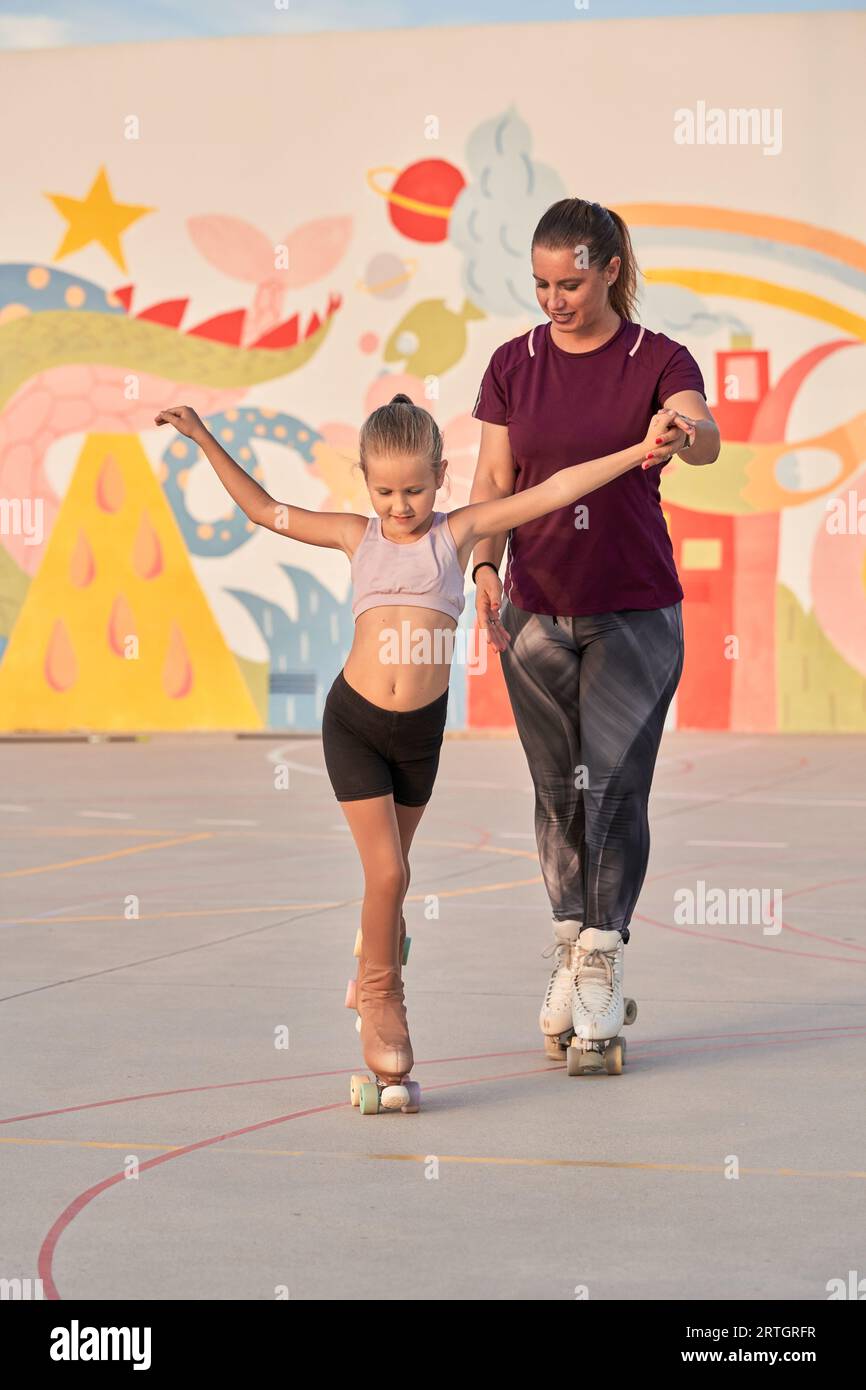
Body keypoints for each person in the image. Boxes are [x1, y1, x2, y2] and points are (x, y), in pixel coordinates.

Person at [154, 390, 688, 1106]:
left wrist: (637, 452)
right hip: (355, 727)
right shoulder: (355, 535)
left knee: (395, 875)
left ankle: (373, 971)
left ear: (440, 475)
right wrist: (202, 436)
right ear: (364, 481)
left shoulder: (458, 533)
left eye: (412, 490)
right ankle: (381, 1005)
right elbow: (263, 509)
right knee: (387, 877)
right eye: (383, 491)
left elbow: (556, 490)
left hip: (418, 740)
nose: (399, 506)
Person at [469, 197, 720, 1073]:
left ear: (611, 270)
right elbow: (495, 479)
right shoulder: (512, 365)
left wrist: (685, 431)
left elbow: (705, 432)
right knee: (555, 792)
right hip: (535, 610)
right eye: (540, 283)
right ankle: (570, 948)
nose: (554, 299)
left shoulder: (658, 358)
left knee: (613, 788)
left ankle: (603, 962)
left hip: (637, 613)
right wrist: (486, 567)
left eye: (570, 282)